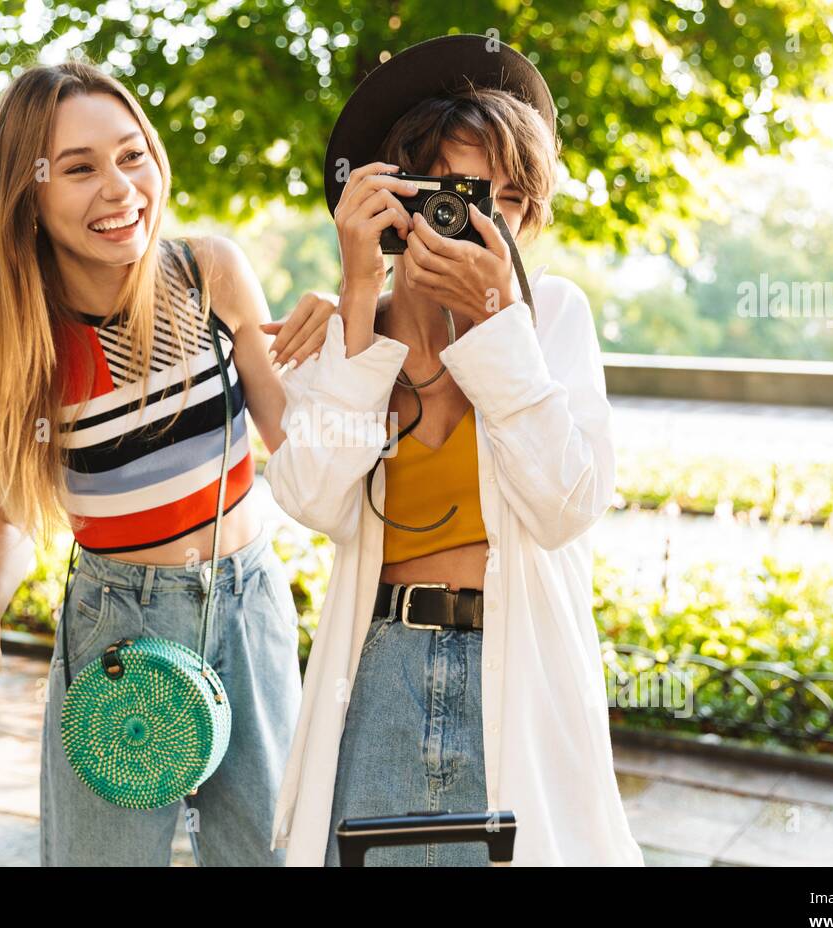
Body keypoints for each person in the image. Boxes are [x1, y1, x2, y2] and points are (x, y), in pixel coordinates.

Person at [0, 61, 337, 866]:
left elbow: (295, 441)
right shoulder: (8, 353)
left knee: (273, 854)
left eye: (132, 154)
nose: (119, 188)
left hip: (245, 607)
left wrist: (349, 327)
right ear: (27, 195)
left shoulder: (208, 271)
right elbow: (10, 516)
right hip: (117, 627)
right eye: (78, 168)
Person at [265, 34, 645, 866]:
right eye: (465, 192)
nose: (488, 220)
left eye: (512, 198)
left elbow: (566, 507)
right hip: (382, 669)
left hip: (519, 669)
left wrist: (498, 326)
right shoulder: (348, 323)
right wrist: (360, 294)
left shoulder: (552, 316)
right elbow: (309, 498)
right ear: (402, 194)